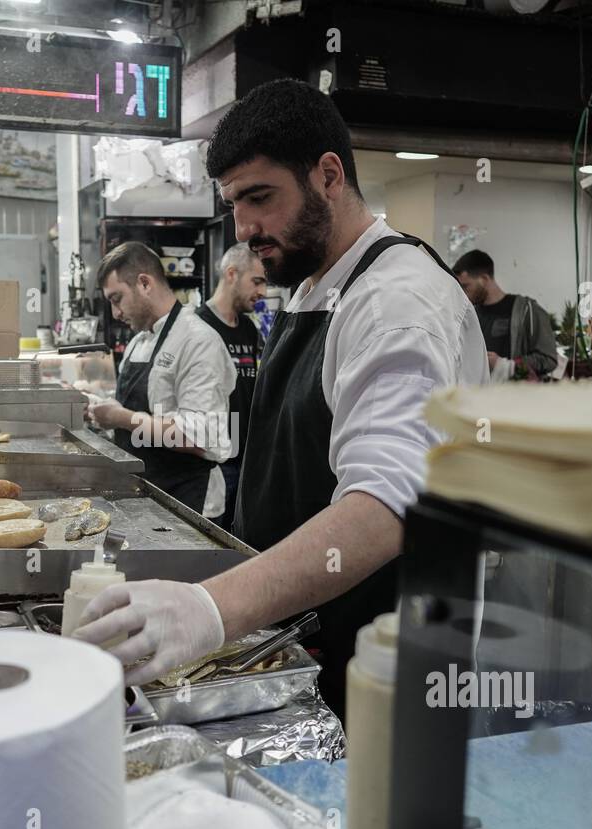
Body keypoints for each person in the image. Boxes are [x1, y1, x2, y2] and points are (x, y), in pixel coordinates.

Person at [73, 80, 490, 714]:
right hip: (308, 639)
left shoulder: (397, 302)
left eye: (260, 197)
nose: (245, 228)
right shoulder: (314, 285)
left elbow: (386, 505)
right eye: (235, 204)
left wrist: (214, 608)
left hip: (382, 665)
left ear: (328, 175)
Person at [89, 241, 235, 517]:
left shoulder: (199, 341)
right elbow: (140, 414)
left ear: (144, 283)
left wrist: (120, 417)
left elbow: (199, 435)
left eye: (116, 299)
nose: (115, 314)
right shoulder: (138, 342)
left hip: (187, 501)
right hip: (146, 495)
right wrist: (101, 411)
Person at [194, 243, 267, 531]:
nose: (262, 292)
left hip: (248, 455)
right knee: (213, 536)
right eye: (257, 281)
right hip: (216, 458)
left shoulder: (250, 328)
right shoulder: (199, 325)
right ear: (232, 274)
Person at [453, 249, 557, 381]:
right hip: (480, 398)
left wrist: (504, 365)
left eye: (466, 286)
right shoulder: (469, 317)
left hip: (517, 398)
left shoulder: (527, 311)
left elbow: (548, 359)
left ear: (484, 279)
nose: (463, 293)